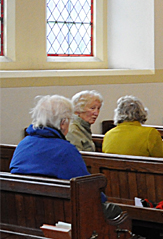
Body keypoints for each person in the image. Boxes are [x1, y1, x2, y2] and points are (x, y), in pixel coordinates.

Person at [11, 95, 127, 224]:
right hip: (59, 213)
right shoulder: (65, 150)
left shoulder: (23, 144)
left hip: (24, 212)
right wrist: (103, 200)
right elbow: (87, 189)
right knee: (115, 212)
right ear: (63, 122)